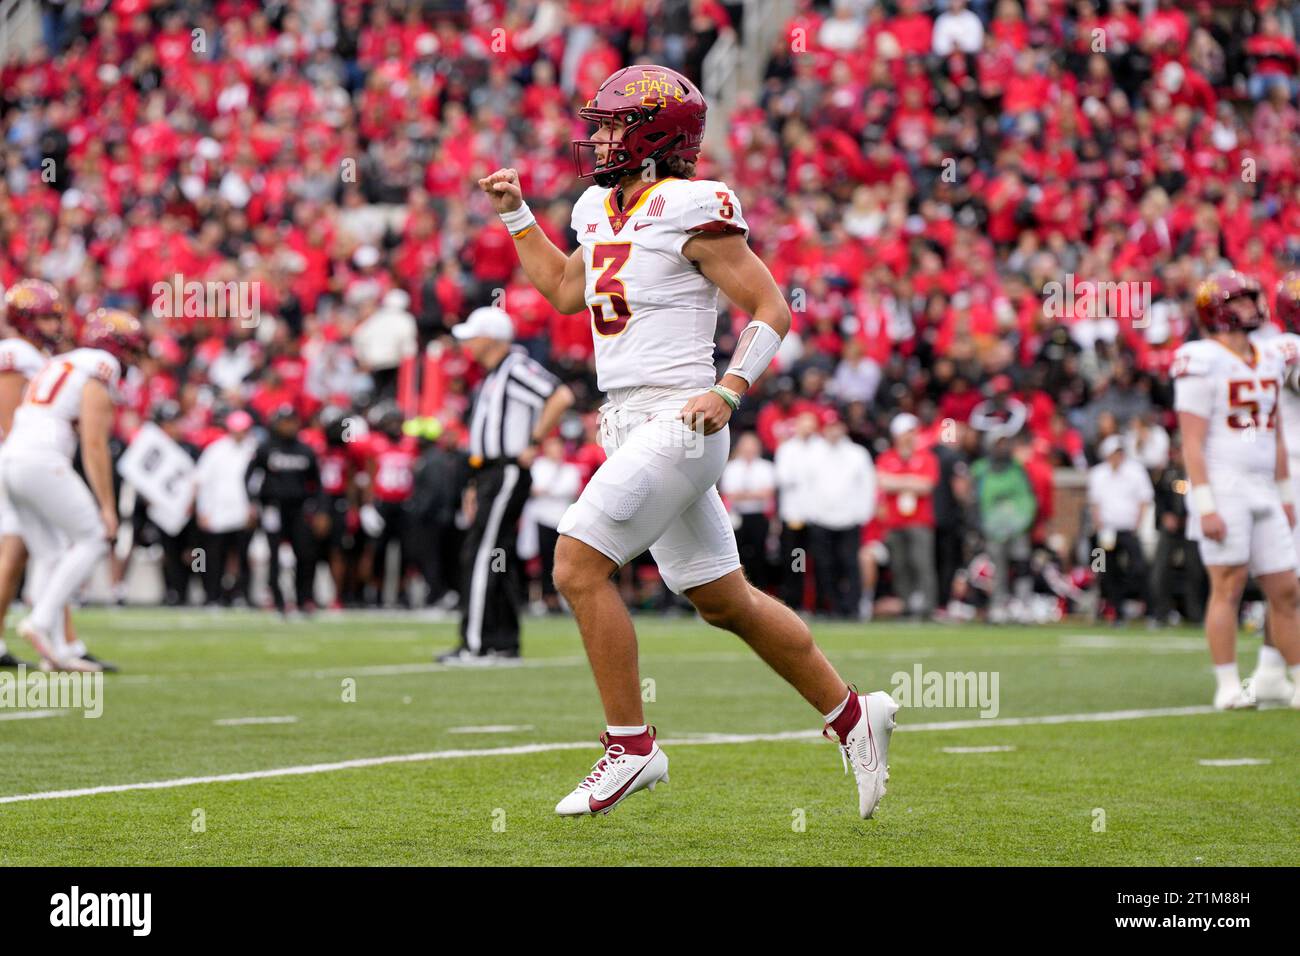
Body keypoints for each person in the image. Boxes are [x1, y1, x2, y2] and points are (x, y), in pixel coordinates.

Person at [479, 64, 898, 818]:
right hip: (630, 424)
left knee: (575, 564)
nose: (598, 136)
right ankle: (851, 713)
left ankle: (631, 747)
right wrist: (517, 217)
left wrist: (729, 388)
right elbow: (566, 292)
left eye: (610, 124)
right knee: (722, 599)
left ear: (651, 136)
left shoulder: (690, 206)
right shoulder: (598, 207)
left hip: (683, 417)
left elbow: (770, 307)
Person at [1174, 271, 1300, 709]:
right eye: (1241, 301)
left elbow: (1277, 433)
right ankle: (1227, 685)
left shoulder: (1266, 355)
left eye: (1252, 300)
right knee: (1228, 585)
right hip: (1225, 485)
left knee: (1286, 587)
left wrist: (1285, 494)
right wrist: (1204, 503)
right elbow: (1191, 441)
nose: (1251, 308)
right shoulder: (1200, 358)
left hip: (1264, 484)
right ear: (1219, 310)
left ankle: (1293, 679)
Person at [1, 308, 146, 671]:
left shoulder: (62, 362)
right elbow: (94, 445)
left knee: (49, 553)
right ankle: (39, 622)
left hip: (12, 461)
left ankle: (60, 650)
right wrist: (108, 507)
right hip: (41, 460)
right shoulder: (99, 367)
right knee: (95, 535)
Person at [437, 306, 574, 663]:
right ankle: (502, 640)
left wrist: (534, 441)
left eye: (473, 337)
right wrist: (472, 482)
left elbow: (560, 396)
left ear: (491, 337)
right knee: (498, 554)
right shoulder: (493, 374)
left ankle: (476, 643)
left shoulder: (515, 367)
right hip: (488, 472)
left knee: (481, 552)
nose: (467, 345)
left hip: (506, 471)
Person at [0, 279, 67, 668]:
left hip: (19, 462)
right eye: (46, 318)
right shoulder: (16, 353)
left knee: (24, 549)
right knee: (16, 549)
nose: (55, 326)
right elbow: (8, 418)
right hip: (15, 461)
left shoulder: (32, 354)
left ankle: (58, 641)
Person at [1245, 270, 1300, 703]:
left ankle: (1269, 668)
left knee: (1286, 577)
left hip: (1277, 467)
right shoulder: (1289, 349)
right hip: (1293, 470)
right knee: (1290, 579)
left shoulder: (1263, 347)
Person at [247, 404, 320, 617]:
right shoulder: (265, 448)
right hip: (273, 508)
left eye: (293, 421)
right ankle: (278, 600)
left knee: (305, 554)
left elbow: (317, 483)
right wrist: (252, 503)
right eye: (285, 422)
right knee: (274, 556)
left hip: (298, 509)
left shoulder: (305, 450)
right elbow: (249, 476)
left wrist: (318, 508)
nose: (290, 426)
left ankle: (304, 598)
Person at [805, 417, 876, 618]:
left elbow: (868, 485)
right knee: (824, 564)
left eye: (836, 427)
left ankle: (852, 608)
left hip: (849, 518)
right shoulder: (813, 453)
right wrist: (812, 512)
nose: (833, 431)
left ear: (843, 428)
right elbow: (806, 485)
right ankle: (830, 607)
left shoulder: (857, 453)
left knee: (851, 563)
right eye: (829, 427)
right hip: (821, 517)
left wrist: (863, 514)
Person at [876, 413, 940, 617]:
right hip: (894, 522)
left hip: (919, 521)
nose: (910, 436)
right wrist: (911, 480)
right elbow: (882, 482)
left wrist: (898, 481)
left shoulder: (926, 457)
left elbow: (926, 486)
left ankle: (927, 607)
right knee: (900, 566)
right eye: (906, 432)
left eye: (913, 432)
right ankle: (906, 606)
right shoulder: (887, 457)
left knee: (922, 564)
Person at [1087, 435, 1155, 622]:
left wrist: (1138, 524)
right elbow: (1094, 503)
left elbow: (1144, 499)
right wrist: (1098, 523)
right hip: (1106, 531)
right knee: (1103, 569)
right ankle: (1115, 612)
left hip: (1129, 529)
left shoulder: (1135, 471)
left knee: (1139, 567)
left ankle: (1150, 611)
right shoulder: (1098, 474)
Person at [194, 409, 258, 606]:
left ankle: (242, 595)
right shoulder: (215, 450)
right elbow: (201, 482)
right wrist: (203, 510)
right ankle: (213, 596)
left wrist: (254, 507)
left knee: (243, 557)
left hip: (243, 512)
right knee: (213, 558)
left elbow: (258, 481)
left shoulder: (255, 449)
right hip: (218, 513)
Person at [526, 434, 581, 614]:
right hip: (542, 519)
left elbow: (570, 489)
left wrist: (547, 491)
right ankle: (547, 598)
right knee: (544, 561)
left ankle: (563, 598)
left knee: (563, 562)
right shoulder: (538, 466)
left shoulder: (570, 469)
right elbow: (534, 488)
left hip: (562, 520)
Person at [774, 411, 822, 611]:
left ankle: (820, 603)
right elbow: (784, 477)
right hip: (794, 515)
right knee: (796, 559)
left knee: (820, 561)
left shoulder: (821, 448)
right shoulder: (787, 448)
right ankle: (795, 601)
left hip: (819, 514)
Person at [720, 431, 776, 592]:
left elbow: (767, 493)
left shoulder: (765, 467)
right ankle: (738, 590)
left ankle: (761, 590)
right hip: (737, 516)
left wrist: (743, 495)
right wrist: (754, 494)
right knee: (737, 555)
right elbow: (729, 494)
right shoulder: (731, 467)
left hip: (759, 516)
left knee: (759, 554)